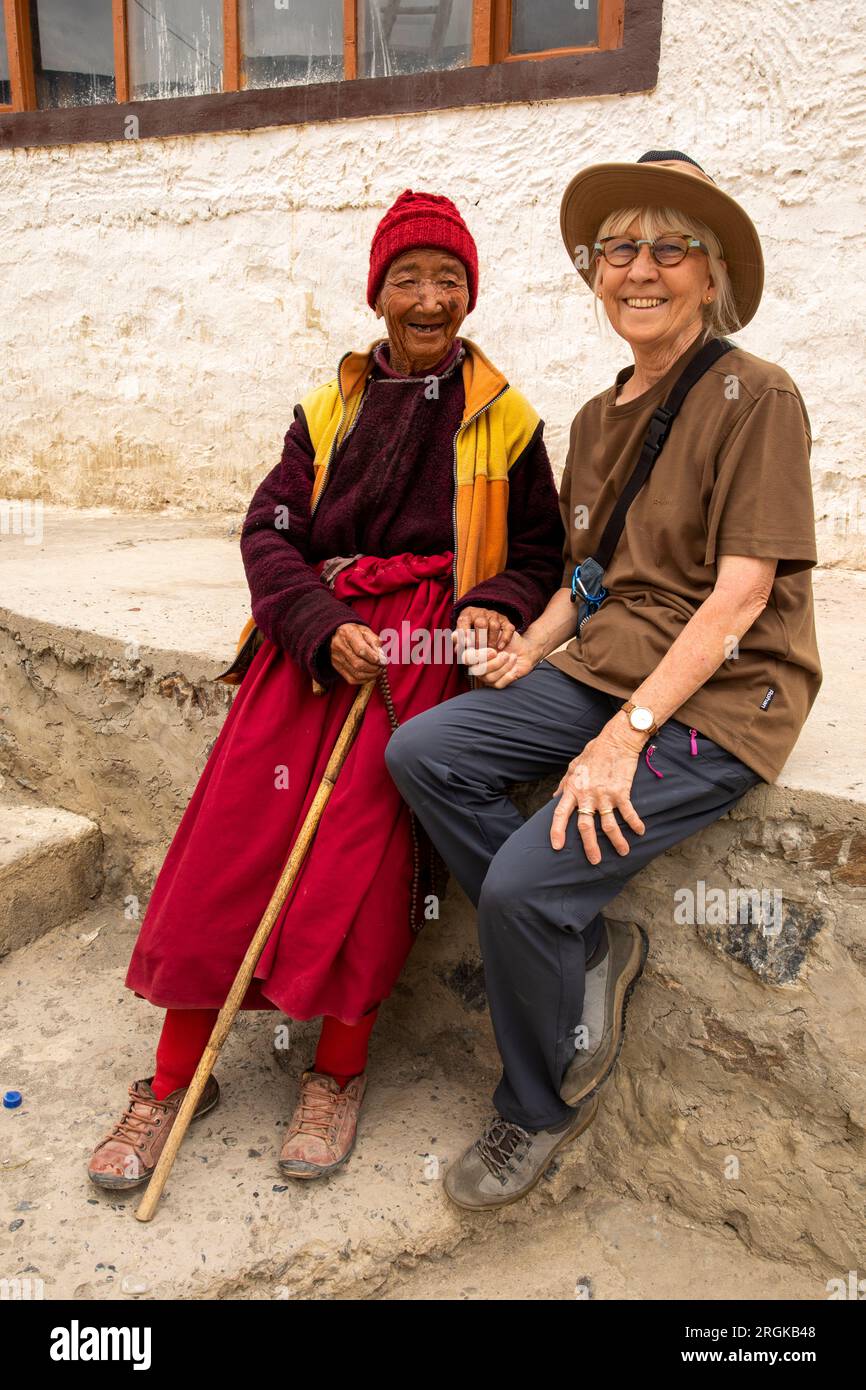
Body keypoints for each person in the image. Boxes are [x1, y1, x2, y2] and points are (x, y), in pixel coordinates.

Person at [87, 189, 564, 1190]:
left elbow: (537, 551)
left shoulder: (508, 420)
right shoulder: (327, 408)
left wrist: (489, 602)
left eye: (447, 279)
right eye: (407, 279)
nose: (428, 298)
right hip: (315, 641)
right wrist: (315, 624)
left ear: (468, 296)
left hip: (423, 650)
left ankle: (336, 1071)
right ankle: (179, 1072)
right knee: (233, 839)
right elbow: (267, 534)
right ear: (377, 294)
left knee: (357, 845)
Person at [386, 151, 822, 1212]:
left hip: (721, 692)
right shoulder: (593, 416)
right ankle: (582, 941)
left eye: (669, 246)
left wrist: (624, 733)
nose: (639, 267)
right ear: (594, 272)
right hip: (608, 657)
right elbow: (590, 577)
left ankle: (535, 1103)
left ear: (711, 275)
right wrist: (533, 646)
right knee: (423, 751)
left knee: (522, 883)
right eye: (617, 246)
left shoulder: (754, 394)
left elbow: (737, 598)